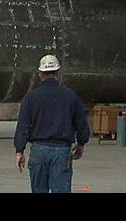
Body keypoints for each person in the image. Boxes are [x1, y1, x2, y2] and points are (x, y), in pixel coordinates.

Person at [13, 54, 89, 193]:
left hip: (38, 151)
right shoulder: (70, 96)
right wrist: (81, 143)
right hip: (61, 151)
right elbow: (82, 123)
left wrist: (20, 150)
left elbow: (23, 126)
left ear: (40, 74)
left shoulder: (31, 97)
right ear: (58, 73)